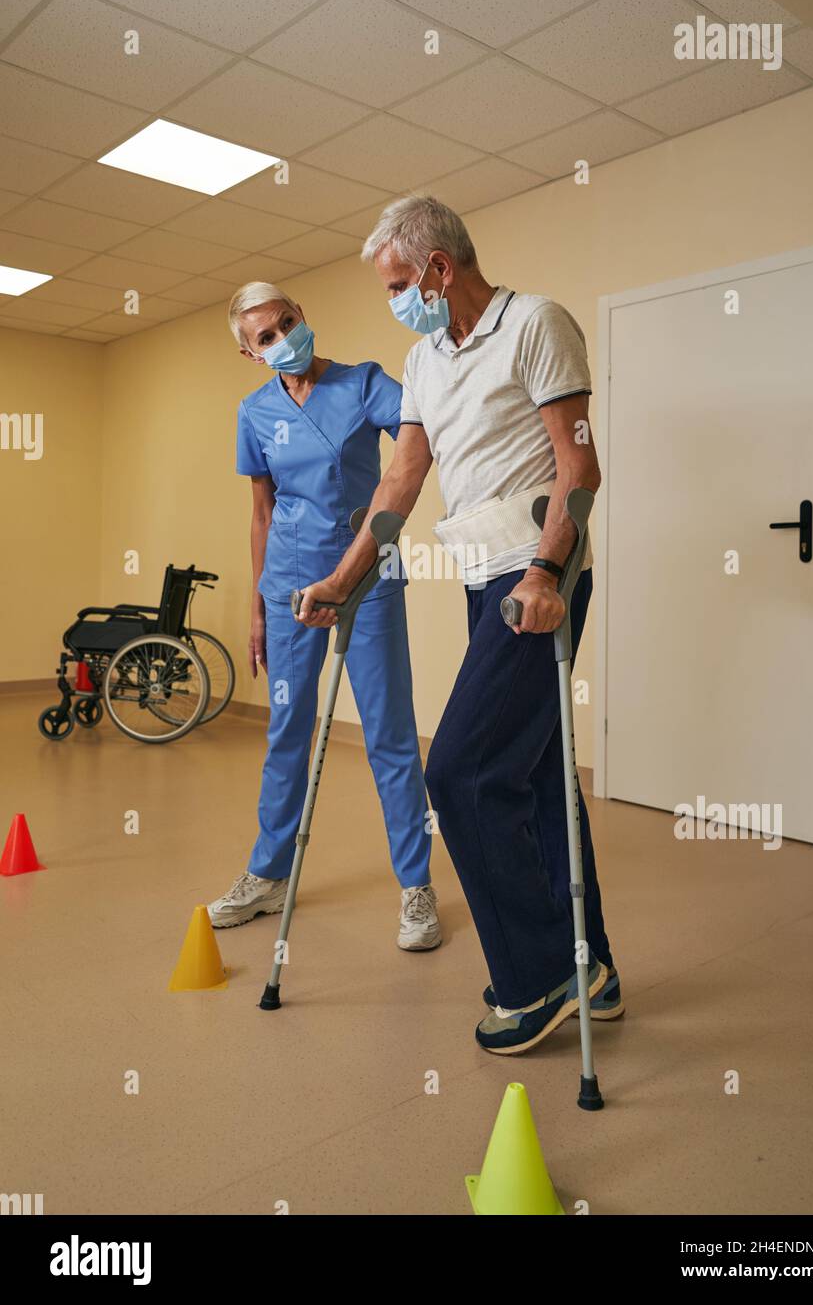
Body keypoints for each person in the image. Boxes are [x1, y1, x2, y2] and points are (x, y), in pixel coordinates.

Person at [294, 197, 622, 1054]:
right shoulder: (423, 358)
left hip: (538, 572)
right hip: (484, 576)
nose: (396, 299)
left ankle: (538, 972)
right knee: (542, 774)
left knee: (463, 774)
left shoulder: (536, 324)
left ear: (439, 268)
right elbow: (400, 484)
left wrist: (551, 570)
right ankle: (592, 965)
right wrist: (340, 577)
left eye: (401, 282)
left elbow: (579, 466)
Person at [207, 282, 440, 952]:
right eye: (267, 336)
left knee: (389, 734)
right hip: (288, 587)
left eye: (288, 321)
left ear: (303, 315)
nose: (284, 337)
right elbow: (261, 513)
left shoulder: (363, 383)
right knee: (286, 730)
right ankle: (268, 874)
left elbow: (419, 443)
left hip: (367, 578)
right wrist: (256, 606)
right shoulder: (254, 413)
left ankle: (417, 887)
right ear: (251, 354)